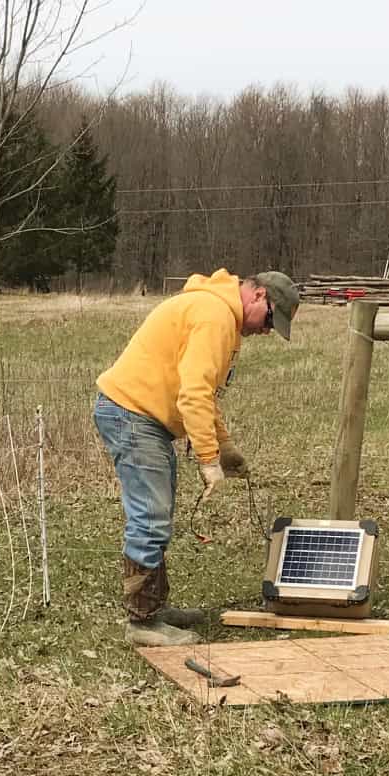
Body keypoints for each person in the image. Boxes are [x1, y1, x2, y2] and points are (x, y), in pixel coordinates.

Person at [93, 269, 300, 647]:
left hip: (141, 417)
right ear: (258, 296)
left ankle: (154, 608)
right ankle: (142, 623)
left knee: (157, 513)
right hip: (133, 415)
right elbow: (193, 395)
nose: (267, 331)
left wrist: (225, 447)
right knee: (150, 516)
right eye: (270, 319)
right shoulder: (214, 316)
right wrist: (208, 459)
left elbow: (206, 394)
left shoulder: (220, 316)